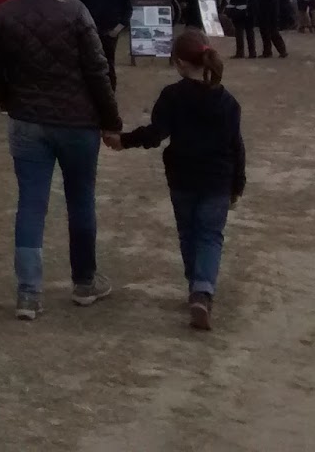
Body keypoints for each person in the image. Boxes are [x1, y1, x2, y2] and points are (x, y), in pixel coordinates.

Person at [0, 0, 121, 320]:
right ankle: (84, 282)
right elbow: (97, 71)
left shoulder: (3, 15)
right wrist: (111, 122)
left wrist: (10, 100)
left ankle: (28, 293)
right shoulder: (76, 12)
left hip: (26, 120)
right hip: (78, 122)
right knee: (81, 201)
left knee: (31, 204)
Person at [105, 30, 245, 331]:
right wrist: (238, 184)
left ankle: (194, 284)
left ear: (180, 63)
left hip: (182, 176)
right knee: (210, 235)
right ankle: (202, 290)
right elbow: (237, 146)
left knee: (187, 232)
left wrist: (123, 140)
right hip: (217, 178)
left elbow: (155, 135)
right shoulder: (228, 102)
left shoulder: (173, 96)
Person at [71, 0, 134, 92]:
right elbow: (76, 5)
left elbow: (127, 8)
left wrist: (118, 28)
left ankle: (110, 92)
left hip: (109, 32)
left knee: (107, 64)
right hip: (88, 31)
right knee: (86, 63)